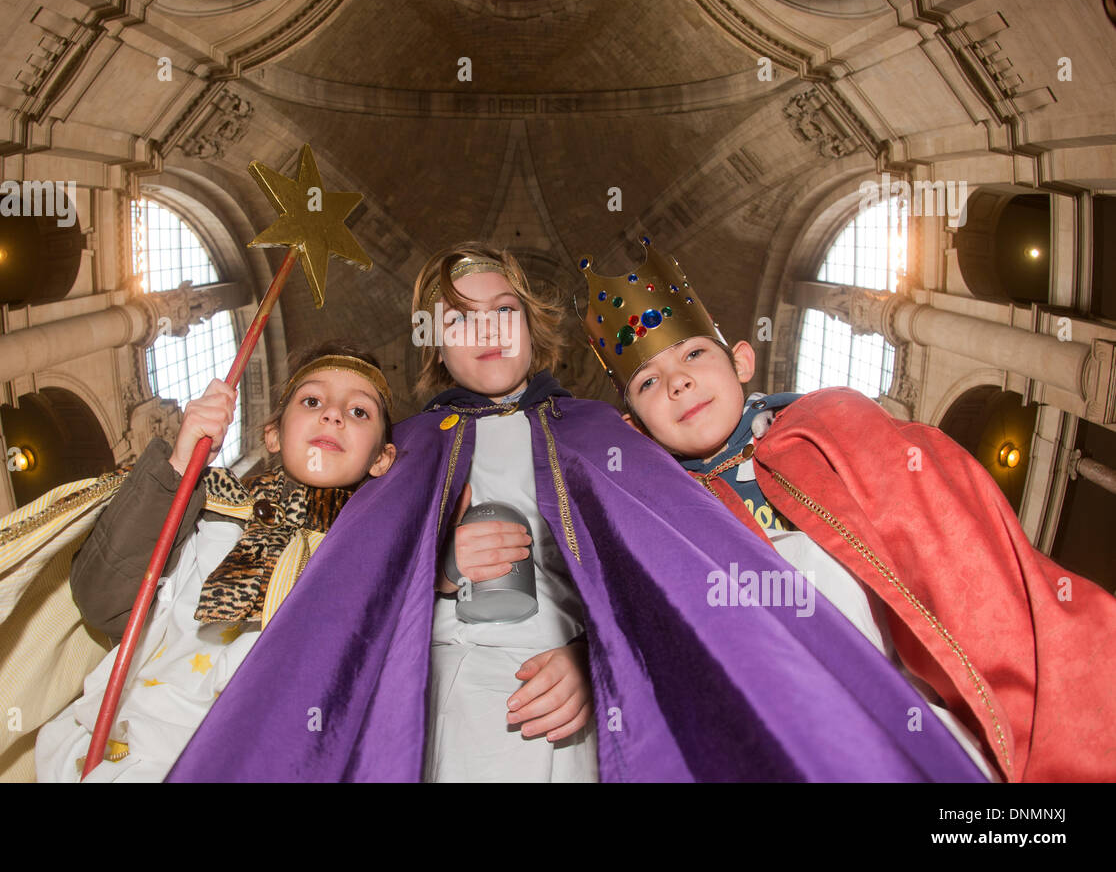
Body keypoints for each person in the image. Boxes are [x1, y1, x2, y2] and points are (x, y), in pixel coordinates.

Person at [168, 243, 988, 782]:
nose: (485, 329)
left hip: (585, 709)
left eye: (504, 308)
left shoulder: (604, 433)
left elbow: (668, 576)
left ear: (534, 326)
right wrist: (440, 566)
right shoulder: (400, 447)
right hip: (438, 697)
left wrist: (597, 652)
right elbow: (334, 572)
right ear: (436, 347)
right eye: (459, 317)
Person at [583, 236, 1116, 782]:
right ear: (634, 427)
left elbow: (958, 550)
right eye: (648, 382)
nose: (678, 381)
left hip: (941, 711)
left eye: (694, 353)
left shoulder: (832, 420)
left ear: (741, 360)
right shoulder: (663, 524)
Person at [35, 341, 397, 782]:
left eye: (359, 412)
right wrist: (180, 464)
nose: (333, 414)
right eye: (312, 400)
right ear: (273, 434)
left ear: (382, 458)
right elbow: (103, 600)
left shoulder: (374, 559)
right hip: (128, 751)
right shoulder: (209, 513)